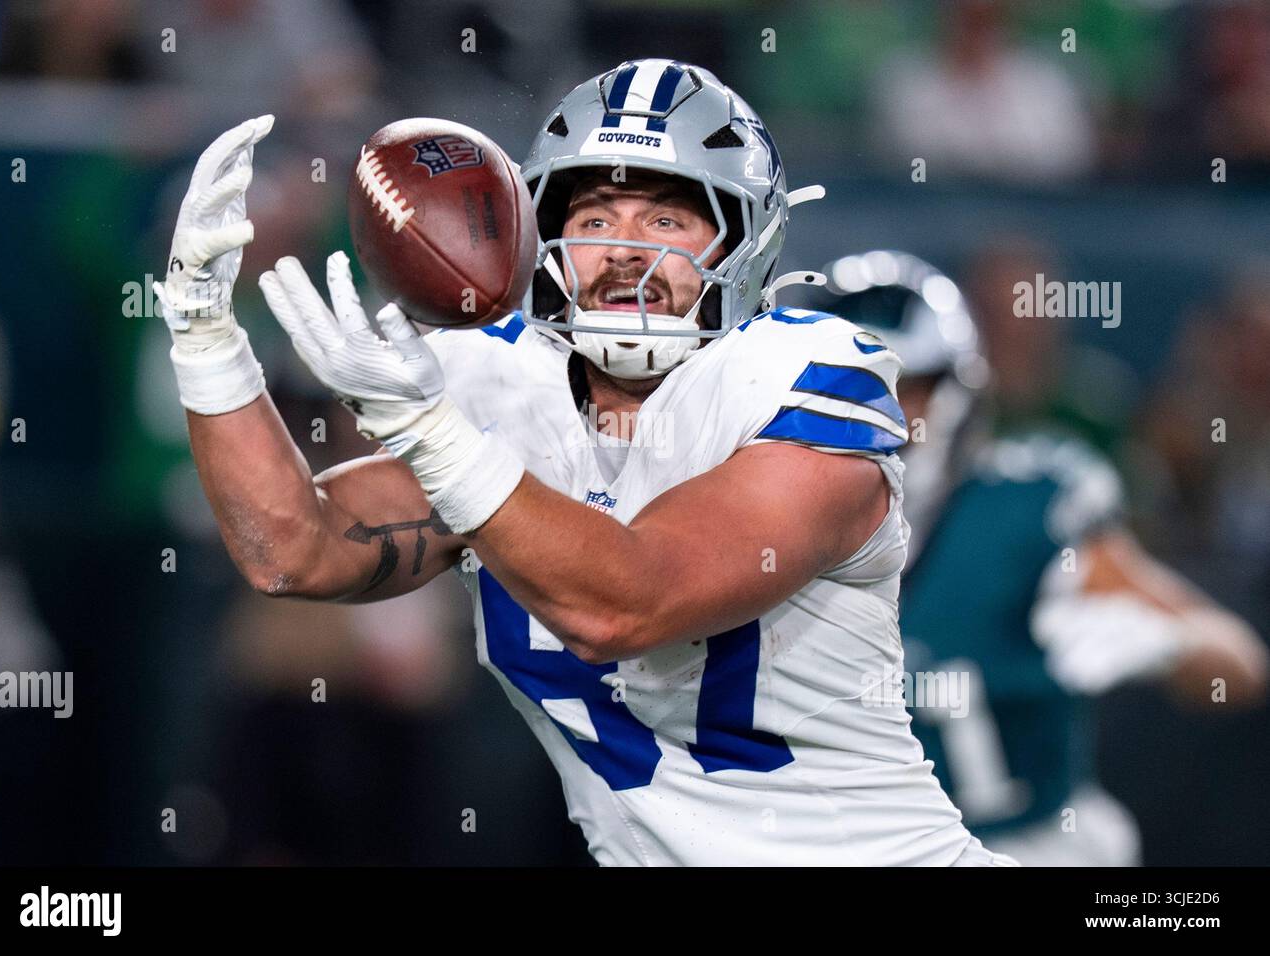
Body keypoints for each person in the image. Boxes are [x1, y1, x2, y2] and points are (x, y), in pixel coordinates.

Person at [151, 59, 1012, 866]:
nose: (627, 251)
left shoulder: (805, 378)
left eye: (667, 219)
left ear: (745, 244)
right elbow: (288, 549)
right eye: (594, 216)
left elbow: (625, 604)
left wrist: (432, 429)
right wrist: (204, 337)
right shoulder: (501, 385)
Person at [814, 250, 1268, 865]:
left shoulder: (1031, 508)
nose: (887, 416)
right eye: (854, 390)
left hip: (1033, 847)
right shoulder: (759, 532)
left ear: (962, 391)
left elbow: (1237, 665)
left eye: (910, 387)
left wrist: (1162, 641)